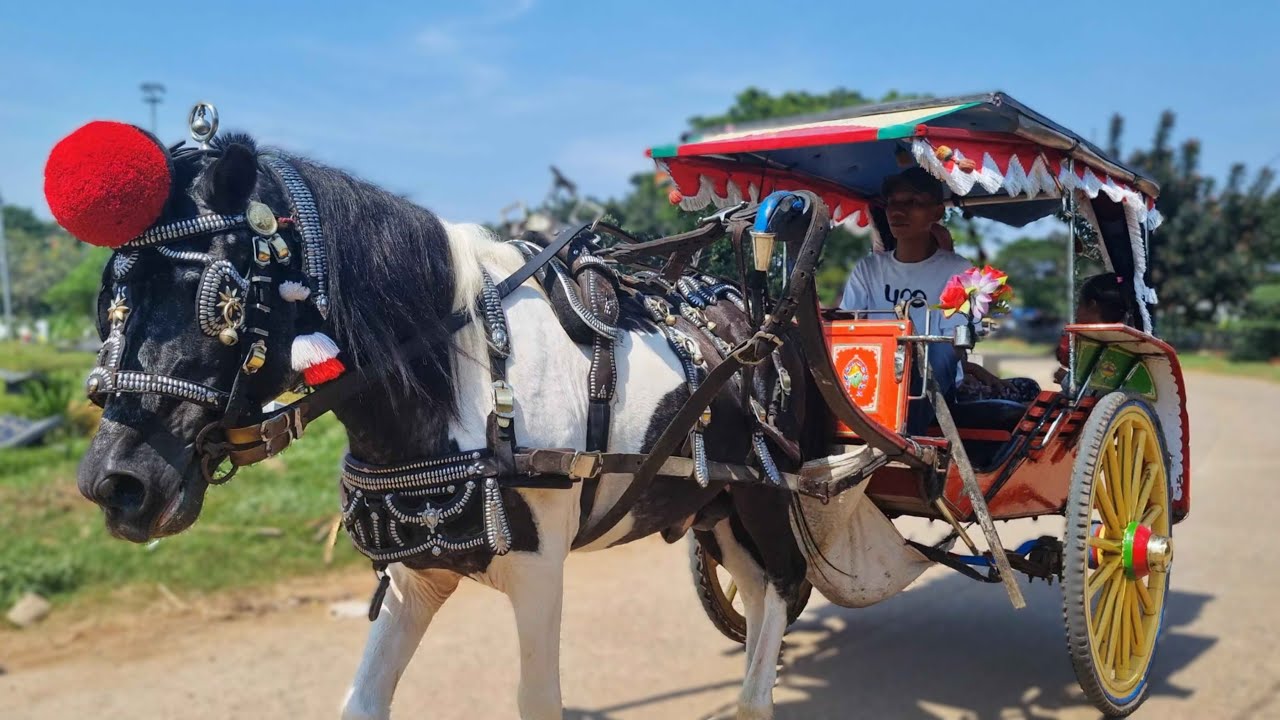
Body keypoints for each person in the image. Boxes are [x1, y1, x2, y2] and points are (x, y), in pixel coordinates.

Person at [839, 168, 973, 432]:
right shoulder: (868, 269)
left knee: (930, 360)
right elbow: (848, 327)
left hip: (929, 389)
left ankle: (898, 437)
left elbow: (953, 346)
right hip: (873, 379)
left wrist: (913, 372)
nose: (898, 212)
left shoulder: (958, 271)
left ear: (936, 213)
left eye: (912, 203)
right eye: (893, 203)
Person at [1054, 273, 1132, 385]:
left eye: (1080, 304)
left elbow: (1097, 388)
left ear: (1092, 305)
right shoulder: (1125, 338)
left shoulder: (1096, 340)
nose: (1076, 311)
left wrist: (1066, 380)